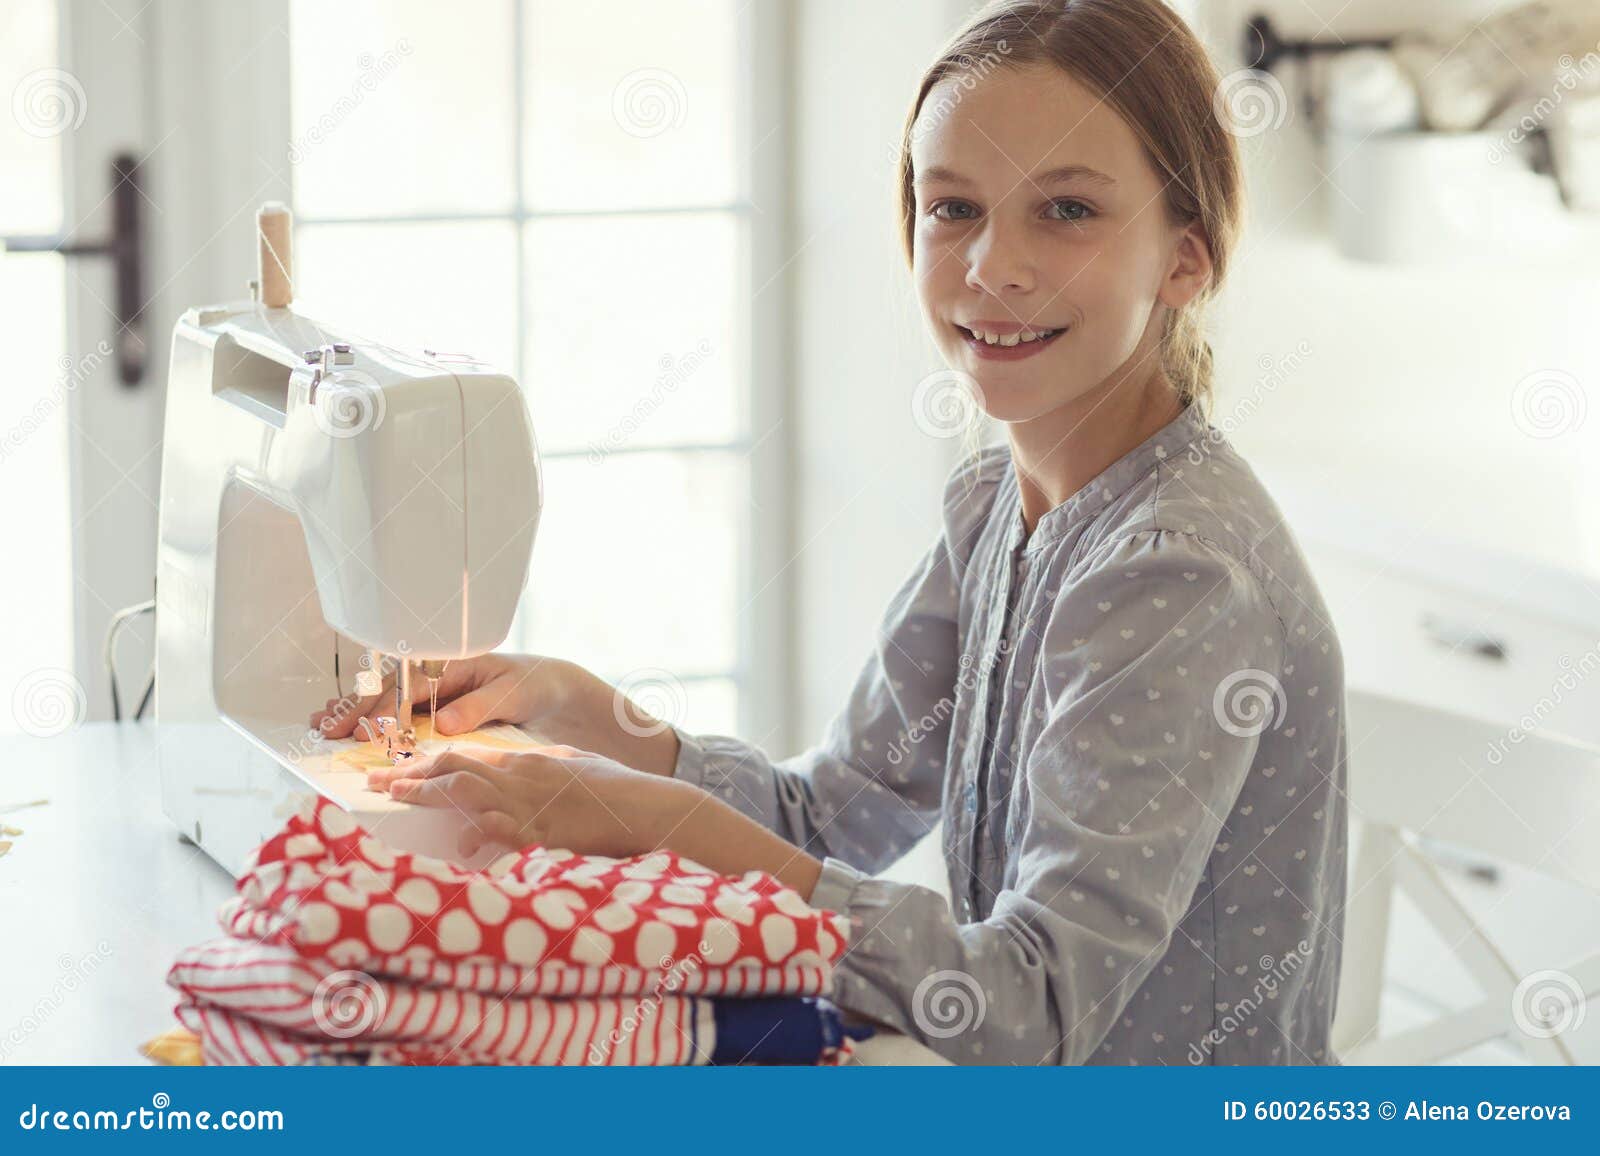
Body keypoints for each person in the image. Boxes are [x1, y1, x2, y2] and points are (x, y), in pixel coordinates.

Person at [312, 0, 1346, 1065]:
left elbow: (1029, 1009)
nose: (993, 263)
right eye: (953, 207)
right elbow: (824, 819)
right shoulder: (996, 506)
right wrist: (581, 710)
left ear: (1187, 258)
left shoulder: (1179, 573)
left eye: (1068, 211)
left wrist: (646, 818)